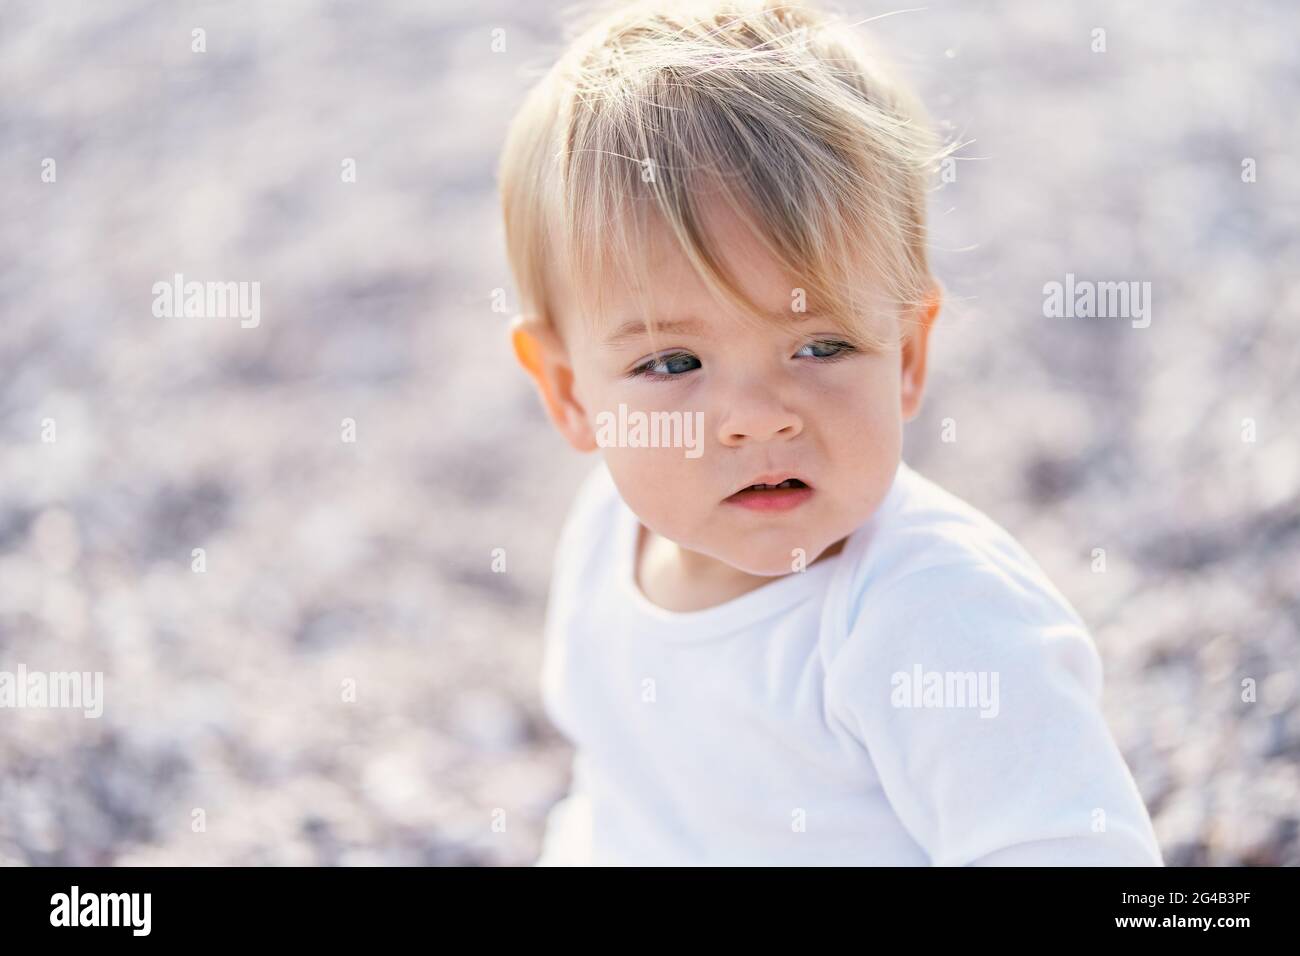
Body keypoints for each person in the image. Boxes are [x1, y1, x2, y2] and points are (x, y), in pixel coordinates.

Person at [497, 0, 1163, 865]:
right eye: (672, 365)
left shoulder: (932, 614)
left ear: (909, 355)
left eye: (821, 344)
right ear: (569, 393)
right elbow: (621, 797)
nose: (760, 416)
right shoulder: (604, 535)